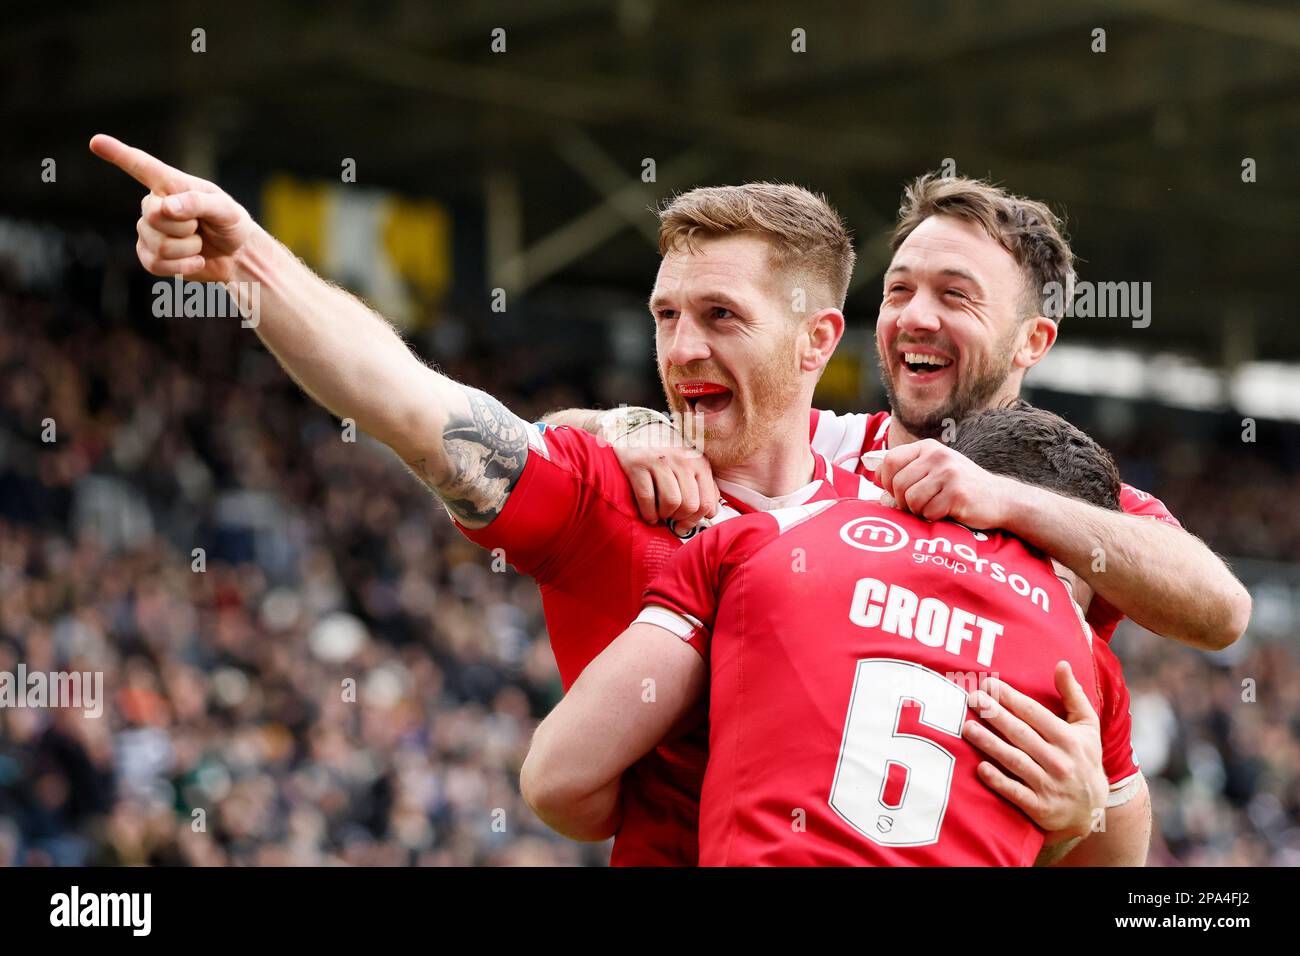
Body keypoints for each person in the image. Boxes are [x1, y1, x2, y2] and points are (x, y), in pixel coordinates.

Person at [89, 136, 1112, 864]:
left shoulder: (921, 504)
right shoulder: (608, 492)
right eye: (665, 314)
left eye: (719, 315)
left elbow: (1175, 660)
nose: (679, 348)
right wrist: (248, 260)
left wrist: (1070, 815)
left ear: (814, 342)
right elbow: (410, 404)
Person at [565, 174, 1251, 653]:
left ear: (1032, 341)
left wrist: (1003, 501)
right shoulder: (808, 447)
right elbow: (546, 441)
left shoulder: (1062, 497)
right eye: (900, 291)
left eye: (955, 296)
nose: (915, 318)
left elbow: (1221, 611)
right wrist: (630, 424)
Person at [522, 402, 1150, 866]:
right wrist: (1071, 823)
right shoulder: (1085, 667)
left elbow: (557, 779)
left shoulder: (775, 538)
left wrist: (672, 798)